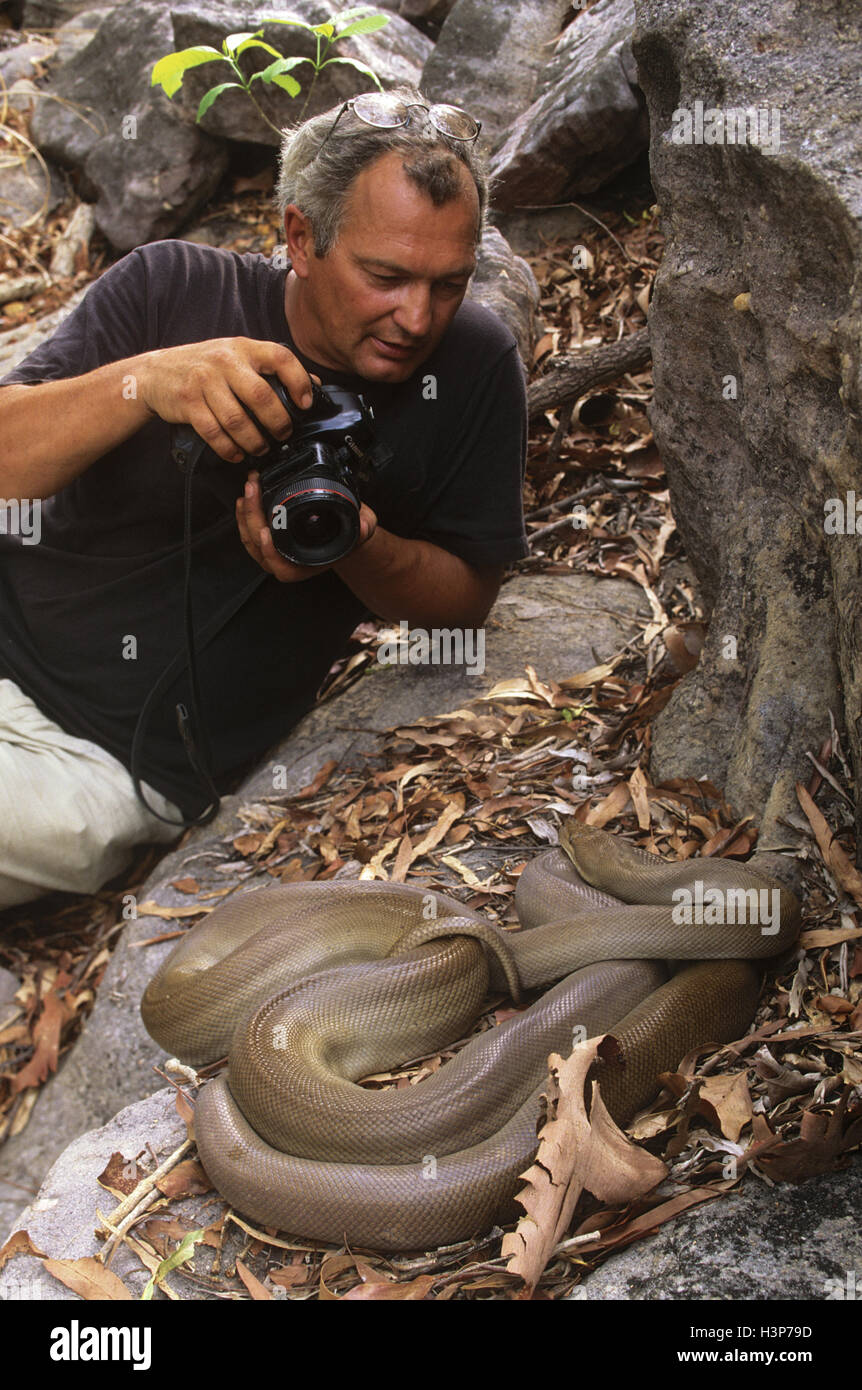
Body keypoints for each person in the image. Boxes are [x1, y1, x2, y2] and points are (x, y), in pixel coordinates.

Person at [0, 86, 528, 910]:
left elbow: (465, 602)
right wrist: (148, 382)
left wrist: (357, 547)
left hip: (105, 761)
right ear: (300, 237)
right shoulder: (172, 287)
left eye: (449, 283)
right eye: (384, 276)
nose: (416, 316)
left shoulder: (474, 367)